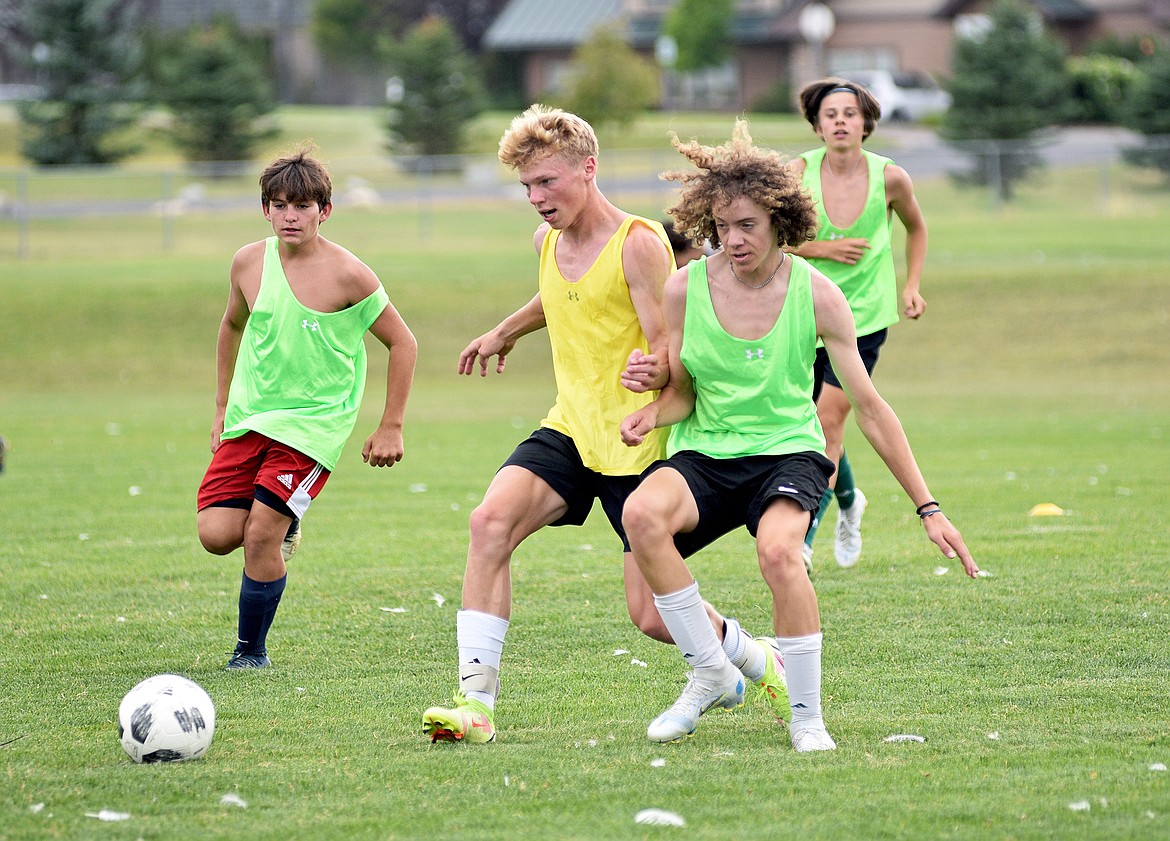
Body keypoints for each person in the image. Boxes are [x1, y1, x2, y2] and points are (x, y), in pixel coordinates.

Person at [422, 105, 787, 745]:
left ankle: (756, 662)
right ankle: (474, 706)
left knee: (649, 616)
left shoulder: (640, 244)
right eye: (527, 187)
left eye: (548, 182)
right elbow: (564, 294)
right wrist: (504, 331)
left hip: (638, 440)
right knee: (489, 523)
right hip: (570, 426)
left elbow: (673, 342)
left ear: (589, 169)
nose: (537, 199)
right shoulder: (548, 241)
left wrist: (656, 373)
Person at [619, 119, 977, 751]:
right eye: (721, 227)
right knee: (641, 513)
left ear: (782, 221)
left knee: (781, 554)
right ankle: (710, 670)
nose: (732, 240)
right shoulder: (684, 288)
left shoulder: (819, 294)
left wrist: (929, 508)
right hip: (707, 451)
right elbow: (680, 390)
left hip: (789, 450)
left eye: (747, 225)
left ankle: (807, 717)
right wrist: (652, 404)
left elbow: (868, 407)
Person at [196, 148, 418, 670]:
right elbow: (230, 326)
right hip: (251, 416)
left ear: (325, 210)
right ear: (266, 210)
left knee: (258, 535)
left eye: (302, 205)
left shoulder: (350, 276)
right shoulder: (247, 262)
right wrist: (222, 405)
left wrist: (391, 424)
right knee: (217, 535)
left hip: (313, 426)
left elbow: (403, 343)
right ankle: (283, 522)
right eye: (279, 205)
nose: (290, 215)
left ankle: (250, 652)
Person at [787, 77, 931, 570]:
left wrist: (911, 284)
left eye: (850, 113)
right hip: (804, 313)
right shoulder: (796, 173)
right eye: (831, 114)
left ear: (866, 122)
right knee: (806, 422)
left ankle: (804, 533)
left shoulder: (891, 177)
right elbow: (774, 238)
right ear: (817, 124)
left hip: (864, 319)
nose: (841, 121)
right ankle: (849, 499)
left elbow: (917, 227)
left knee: (827, 420)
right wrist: (822, 248)